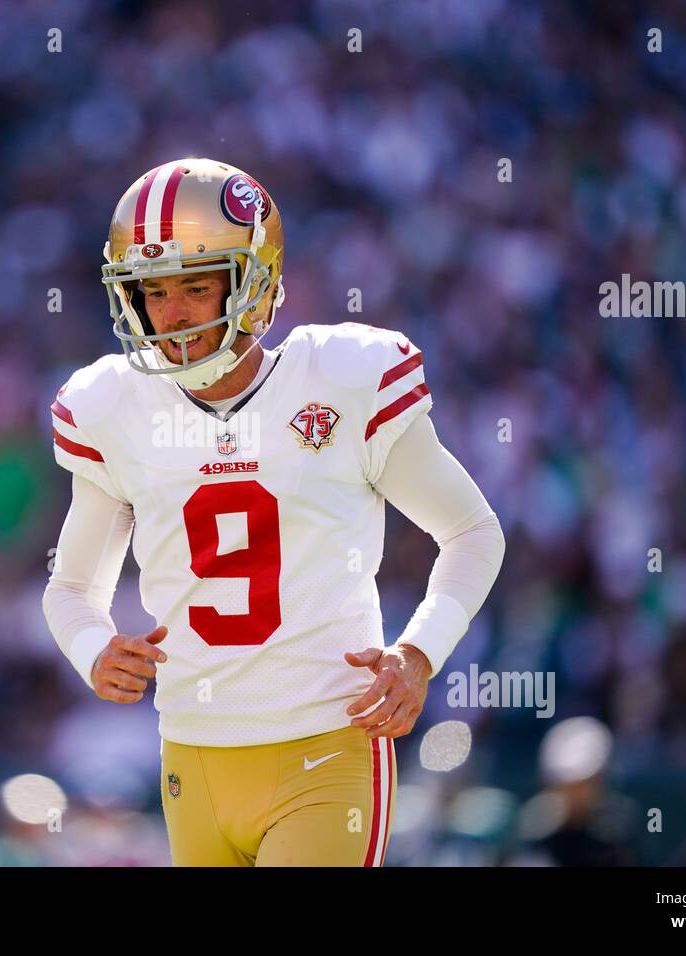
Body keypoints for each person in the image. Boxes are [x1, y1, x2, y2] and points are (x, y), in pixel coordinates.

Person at [42, 157, 505, 866]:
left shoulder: (342, 378)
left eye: (197, 286)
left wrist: (417, 655)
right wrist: (93, 651)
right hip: (191, 756)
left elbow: (472, 532)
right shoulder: (112, 406)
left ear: (254, 282)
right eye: (153, 291)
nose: (172, 314)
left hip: (326, 744)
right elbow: (72, 590)